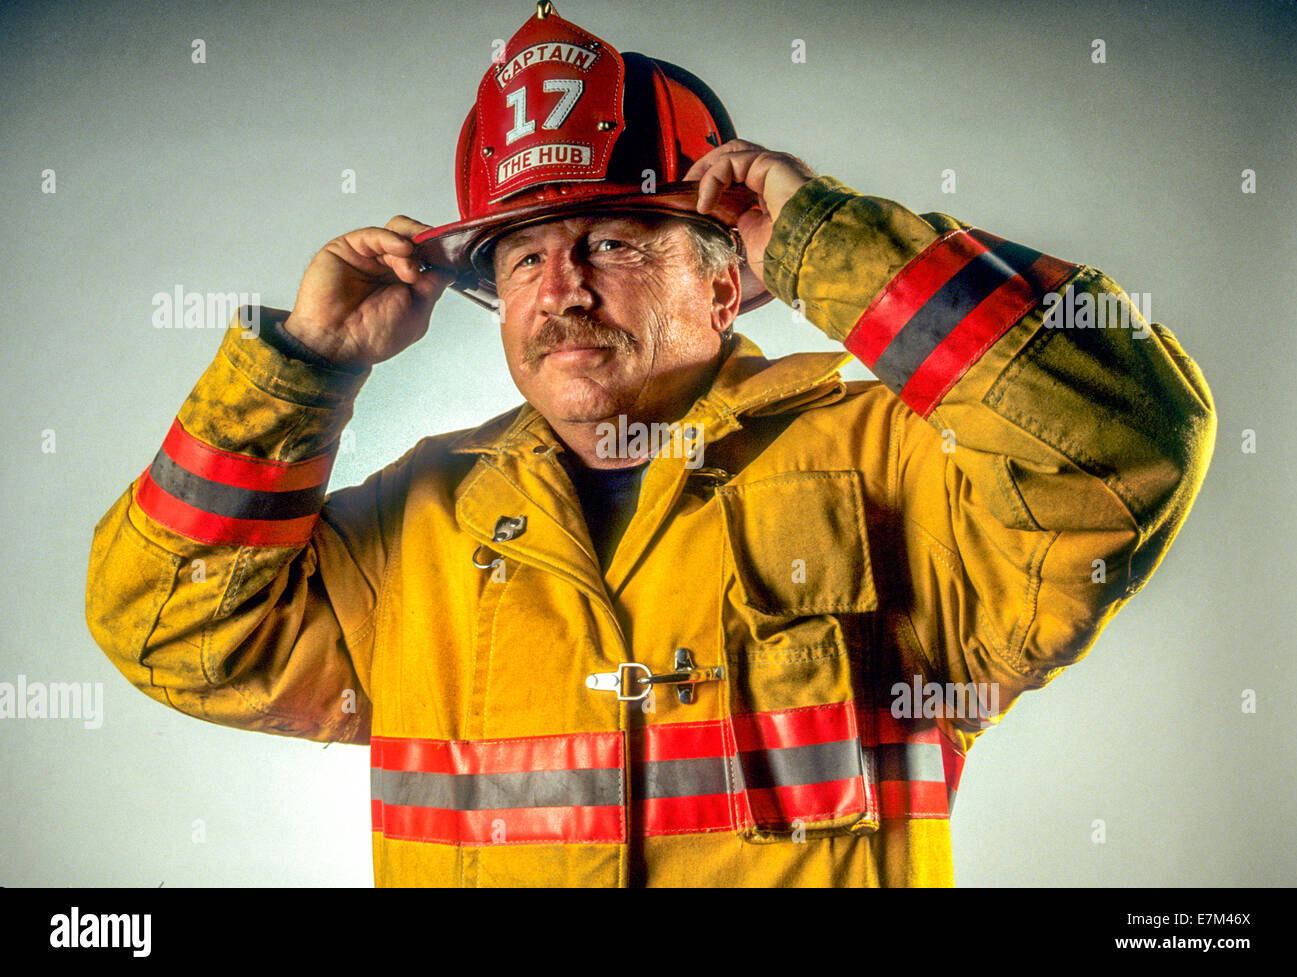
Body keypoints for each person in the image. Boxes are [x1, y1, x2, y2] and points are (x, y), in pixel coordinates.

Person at [85, 3, 1215, 887]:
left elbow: (1122, 441)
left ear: (728, 281)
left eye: (613, 238)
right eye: (522, 258)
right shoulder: (420, 515)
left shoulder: (897, 464)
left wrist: (836, 244)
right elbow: (171, 627)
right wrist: (305, 360)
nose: (560, 287)